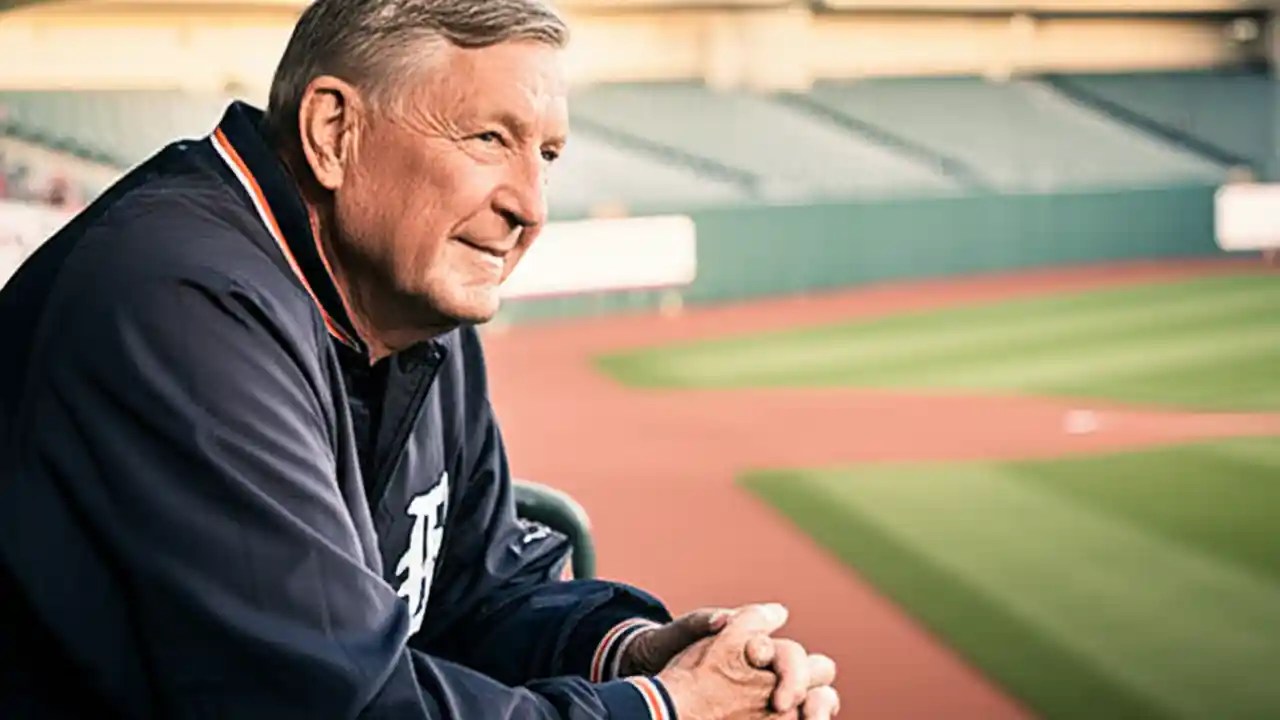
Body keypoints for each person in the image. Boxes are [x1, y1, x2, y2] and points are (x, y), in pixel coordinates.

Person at [0, 1, 839, 718]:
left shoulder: (411, 311)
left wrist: (635, 654)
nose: (529, 206)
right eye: (487, 137)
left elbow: (479, 591)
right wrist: (663, 709)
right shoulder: (178, 302)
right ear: (335, 131)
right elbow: (339, 703)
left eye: (546, 155)